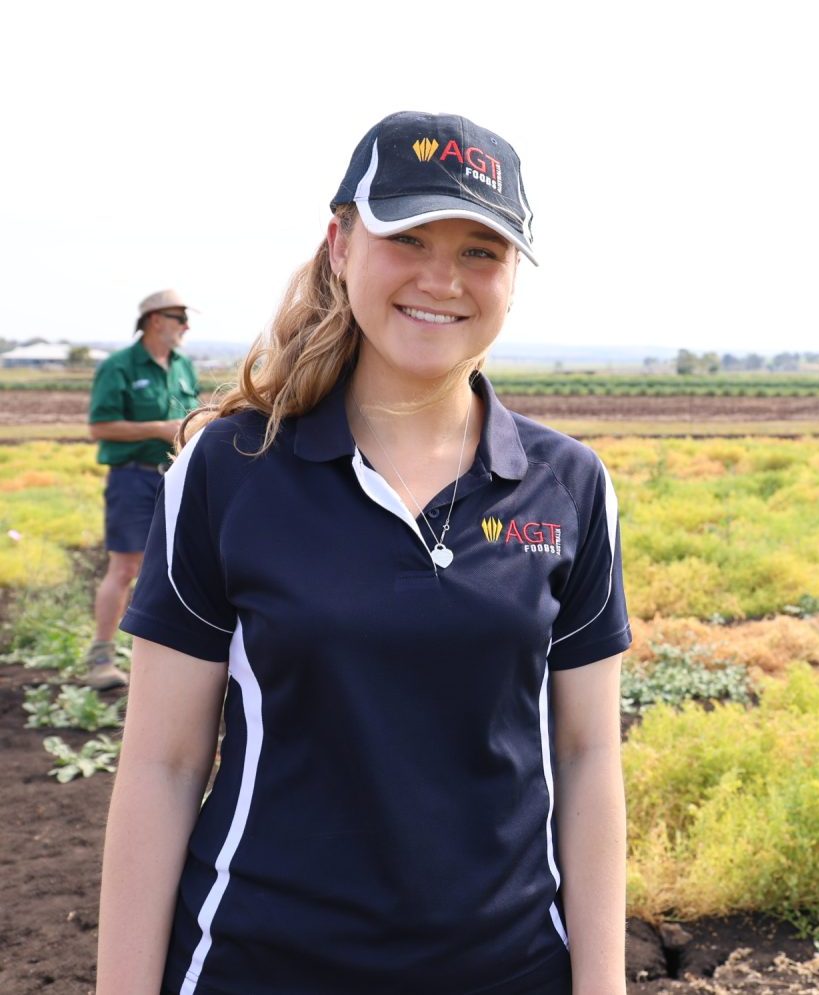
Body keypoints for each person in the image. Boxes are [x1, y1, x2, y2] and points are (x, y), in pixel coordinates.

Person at [97, 111, 631, 994]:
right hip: (260, 965)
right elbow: (163, 762)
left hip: (509, 970)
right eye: (409, 237)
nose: (441, 279)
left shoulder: (569, 486)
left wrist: (600, 983)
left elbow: (585, 756)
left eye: (479, 251)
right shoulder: (230, 471)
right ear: (340, 244)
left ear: (512, 277)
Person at [83, 290, 201, 689]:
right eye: (179, 317)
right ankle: (101, 657)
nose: (186, 325)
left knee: (179, 569)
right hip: (133, 478)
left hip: (175, 475)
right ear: (155, 320)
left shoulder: (183, 366)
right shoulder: (118, 367)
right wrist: (157, 428)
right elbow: (100, 427)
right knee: (126, 568)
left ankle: (164, 664)